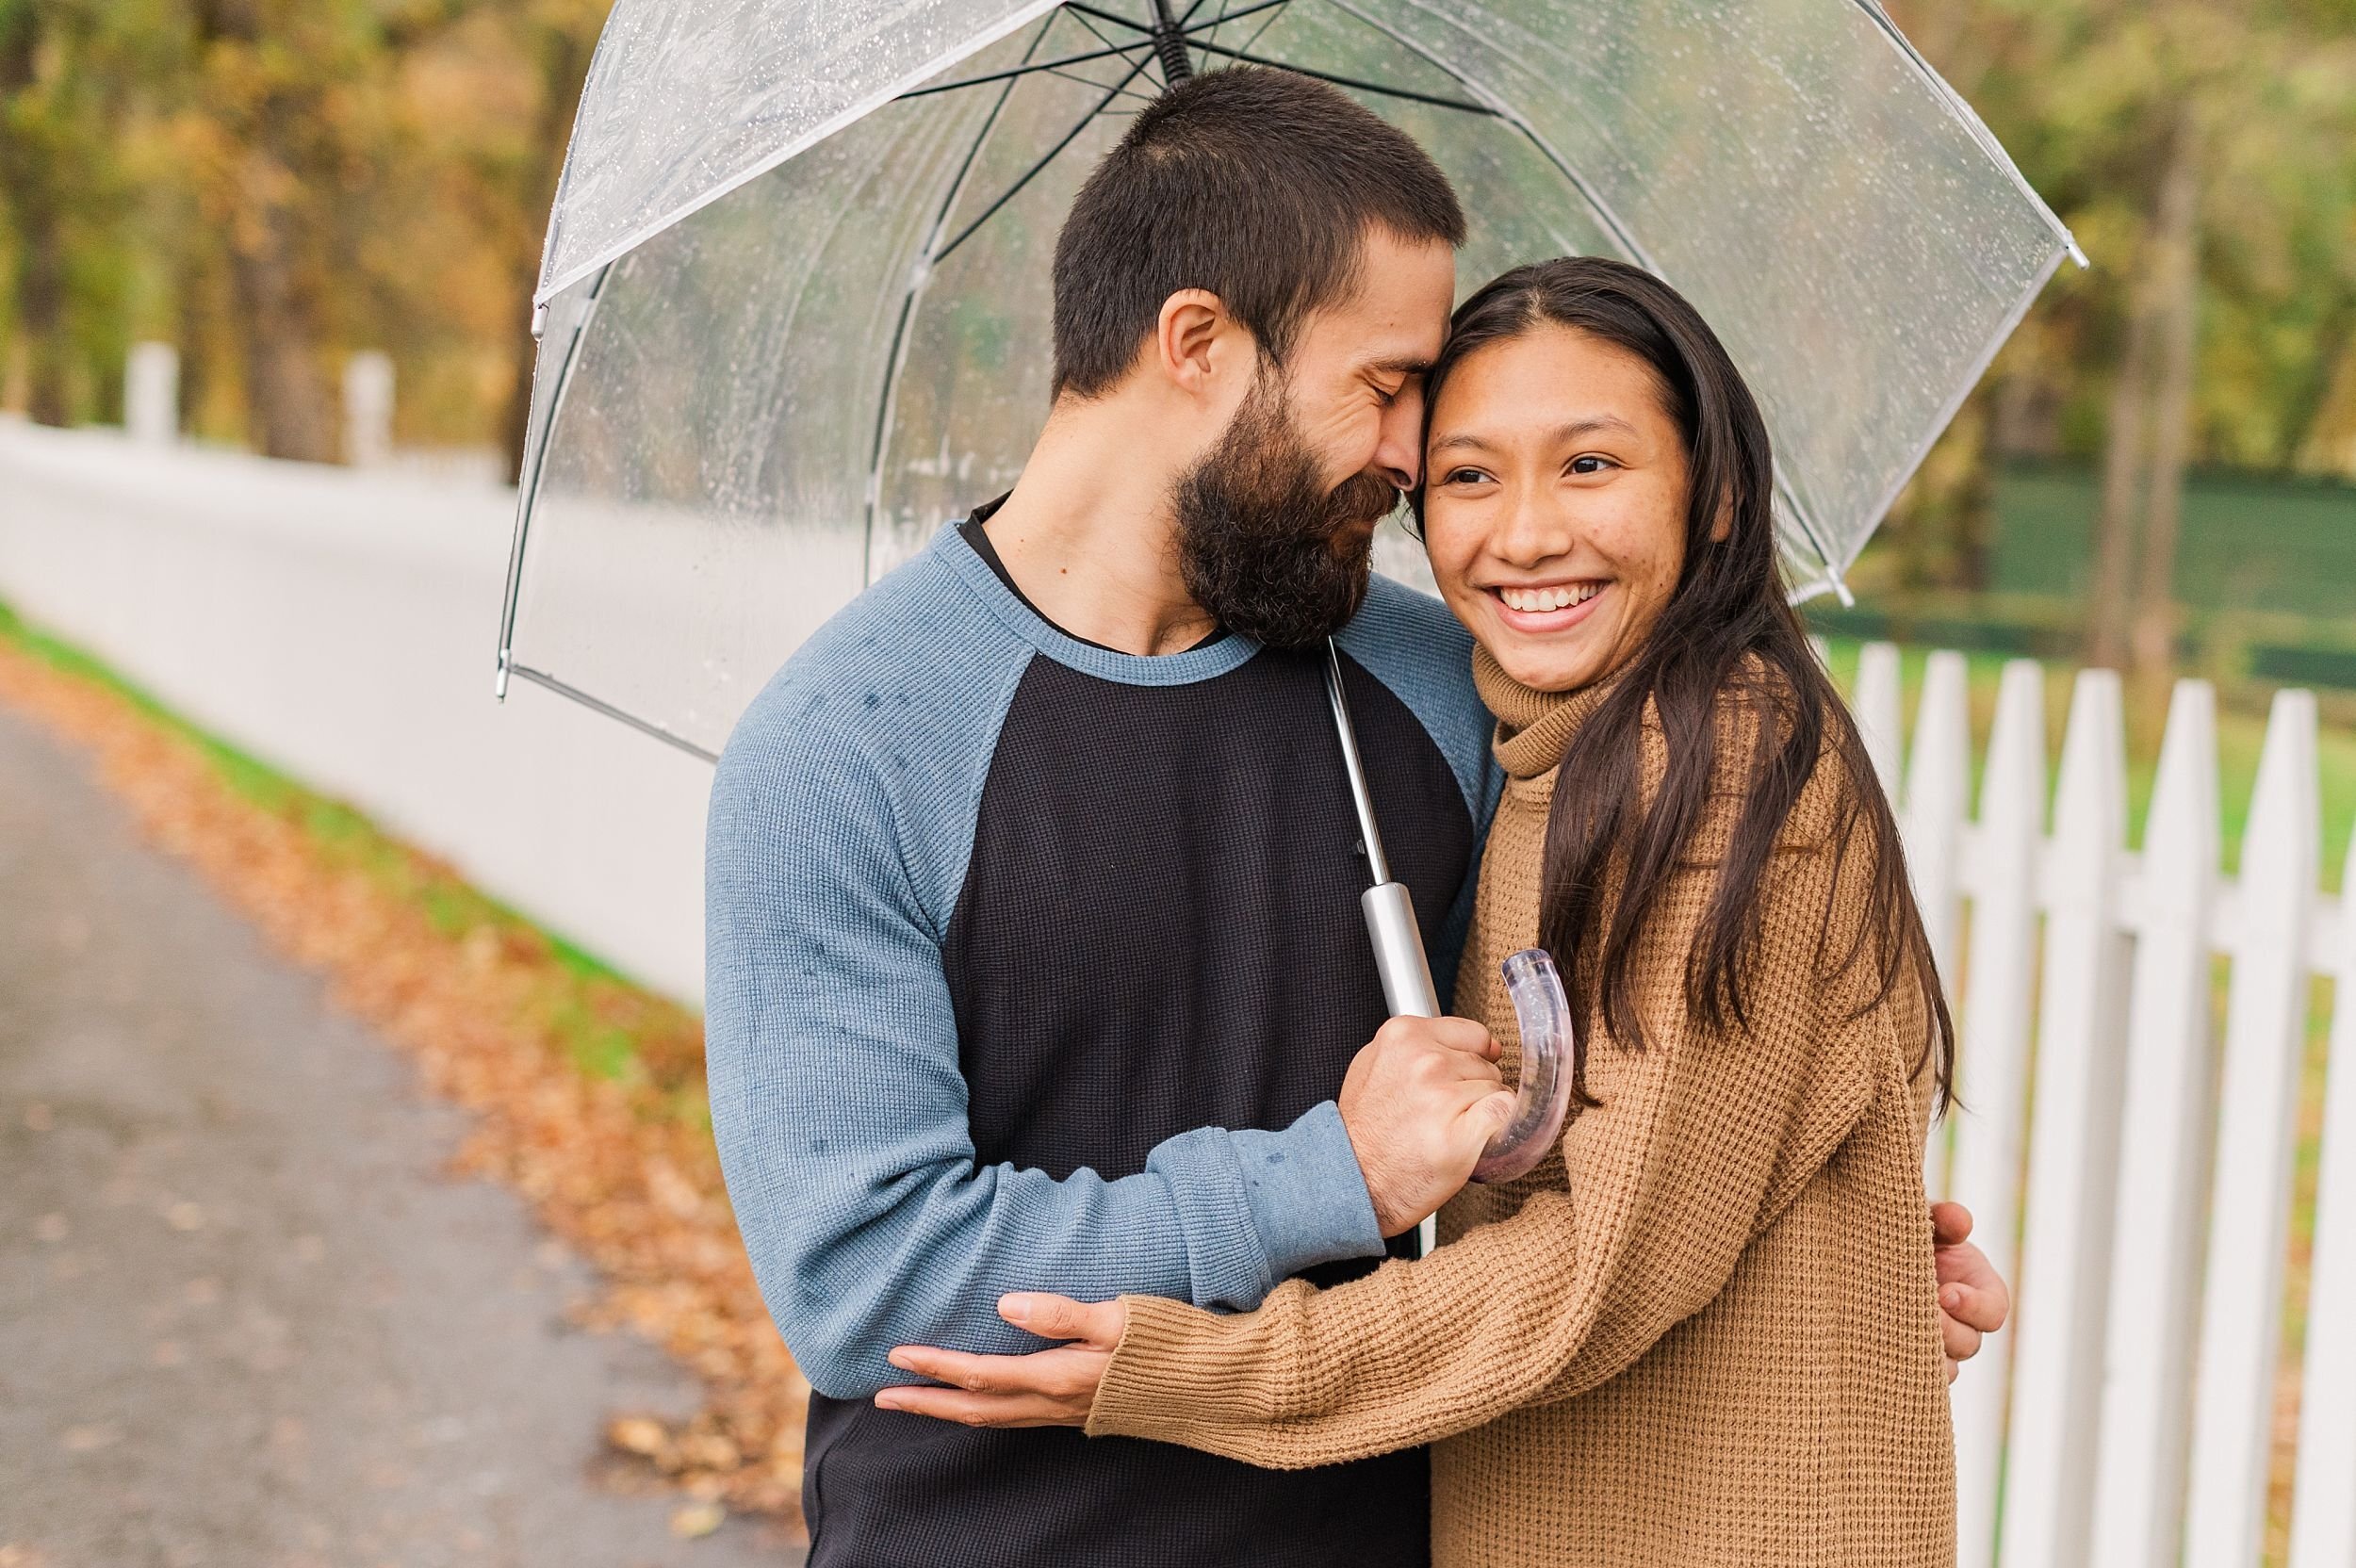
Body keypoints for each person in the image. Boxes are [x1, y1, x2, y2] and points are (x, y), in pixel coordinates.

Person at [705, 69, 2005, 1568]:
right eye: (1388, 389)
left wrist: (1796, 1240)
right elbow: (871, 1280)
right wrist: (1337, 1178)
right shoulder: (846, 747)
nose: (1409, 455)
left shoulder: (1446, 689)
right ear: (1197, 344)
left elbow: (1602, 1128)